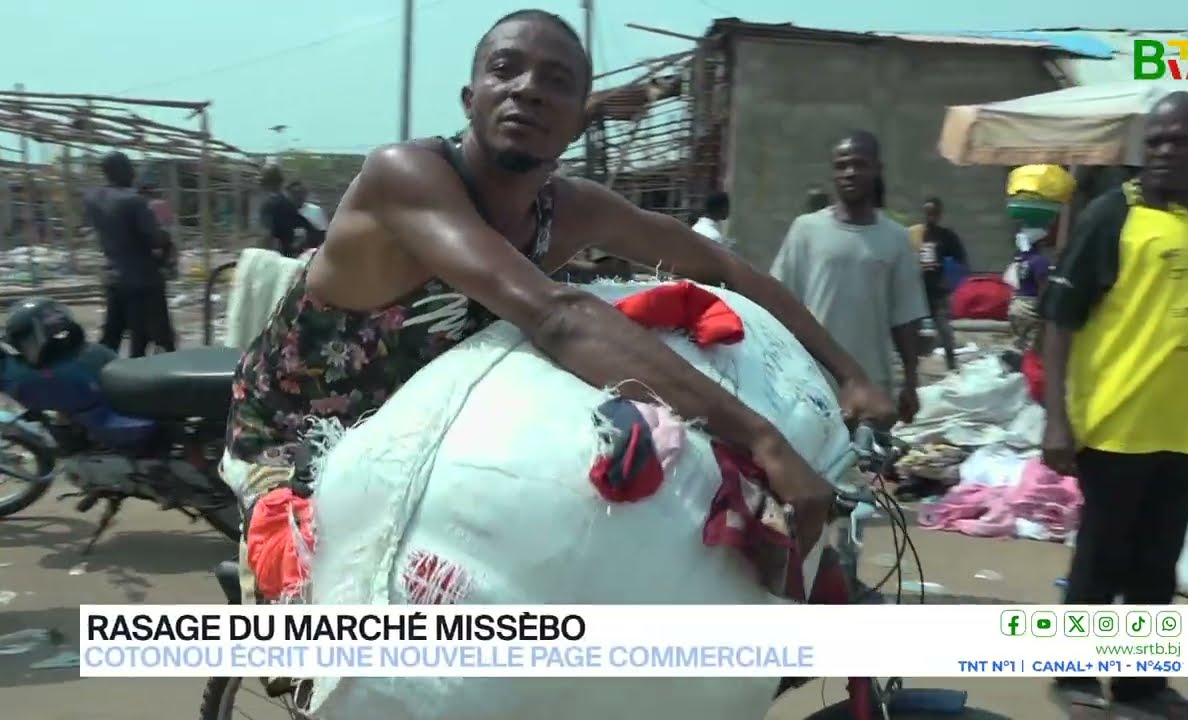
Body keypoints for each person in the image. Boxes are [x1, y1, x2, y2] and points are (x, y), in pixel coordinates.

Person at [224, 9, 894, 578]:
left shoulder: (569, 210)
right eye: (505, 70)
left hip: (434, 432)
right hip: (305, 441)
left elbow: (723, 267)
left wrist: (851, 373)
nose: (528, 90)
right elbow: (558, 316)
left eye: (556, 82)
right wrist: (765, 443)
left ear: (577, 121)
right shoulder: (405, 175)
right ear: (469, 98)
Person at [1039, 91, 1188, 717]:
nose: (1161, 152)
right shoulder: (1113, 215)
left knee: (1158, 566)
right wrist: (1056, 417)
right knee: (1103, 560)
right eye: (1152, 140)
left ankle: (1141, 684)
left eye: (1177, 140)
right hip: (1115, 425)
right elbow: (1060, 320)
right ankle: (1074, 676)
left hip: (1182, 430)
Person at [770, 130, 928, 425]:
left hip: (872, 387)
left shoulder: (895, 238)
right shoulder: (805, 230)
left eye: (860, 164)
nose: (850, 172)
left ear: (877, 170)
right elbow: (778, 304)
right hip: (811, 384)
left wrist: (910, 380)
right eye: (842, 165)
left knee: (867, 468)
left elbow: (906, 317)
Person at [84, 152, 172, 357]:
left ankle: (100, 374)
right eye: (130, 167)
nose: (134, 172)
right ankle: (141, 380)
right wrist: (165, 238)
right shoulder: (134, 201)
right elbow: (155, 238)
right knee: (146, 335)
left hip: (113, 276)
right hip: (143, 280)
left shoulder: (92, 198)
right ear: (122, 170)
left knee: (112, 334)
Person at [907, 197, 966, 370]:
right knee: (911, 330)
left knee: (944, 329)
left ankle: (951, 364)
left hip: (937, 291)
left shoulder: (946, 236)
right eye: (927, 213)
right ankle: (911, 367)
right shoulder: (915, 234)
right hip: (916, 290)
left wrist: (950, 277)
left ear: (939, 214)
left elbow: (960, 259)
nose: (930, 216)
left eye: (933, 213)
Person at [1006, 223, 1054, 353]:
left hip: (1016, 305)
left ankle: (1016, 369)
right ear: (1039, 243)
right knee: (1033, 348)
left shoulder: (1019, 260)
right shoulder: (1040, 261)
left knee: (1018, 345)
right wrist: (1045, 309)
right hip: (1031, 306)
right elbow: (1043, 287)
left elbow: (1011, 283)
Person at [257, 165, 310, 257]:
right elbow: (304, 231)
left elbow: (267, 235)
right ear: (281, 182)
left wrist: (261, 255)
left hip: (274, 258)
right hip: (288, 257)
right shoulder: (289, 204)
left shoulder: (268, 205)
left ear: (264, 184)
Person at [287, 180, 328, 251]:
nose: (298, 196)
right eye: (294, 193)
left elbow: (323, 235)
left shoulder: (315, 210)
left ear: (305, 194)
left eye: (301, 193)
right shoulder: (282, 211)